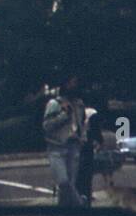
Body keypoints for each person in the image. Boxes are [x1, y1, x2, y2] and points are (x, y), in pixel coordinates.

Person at [42, 75, 86, 207]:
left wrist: (82, 137)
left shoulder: (79, 104)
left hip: (74, 146)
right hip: (57, 147)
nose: (75, 86)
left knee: (69, 186)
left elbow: (81, 123)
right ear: (65, 85)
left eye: (76, 83)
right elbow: (46, 125)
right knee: (63, 182)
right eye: (72, 83)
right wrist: (63, 115)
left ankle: (65, 211)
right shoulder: (54, 104)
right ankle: (80, 204)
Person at [76, 105, 104, 206]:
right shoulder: (92, 113)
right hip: (86, 145)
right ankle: (86, 195)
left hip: (77, 144)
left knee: (78, 172)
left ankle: (79, 194)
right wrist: (100, 141)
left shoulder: (79, 112)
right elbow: (96, 130)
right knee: (86, 173)